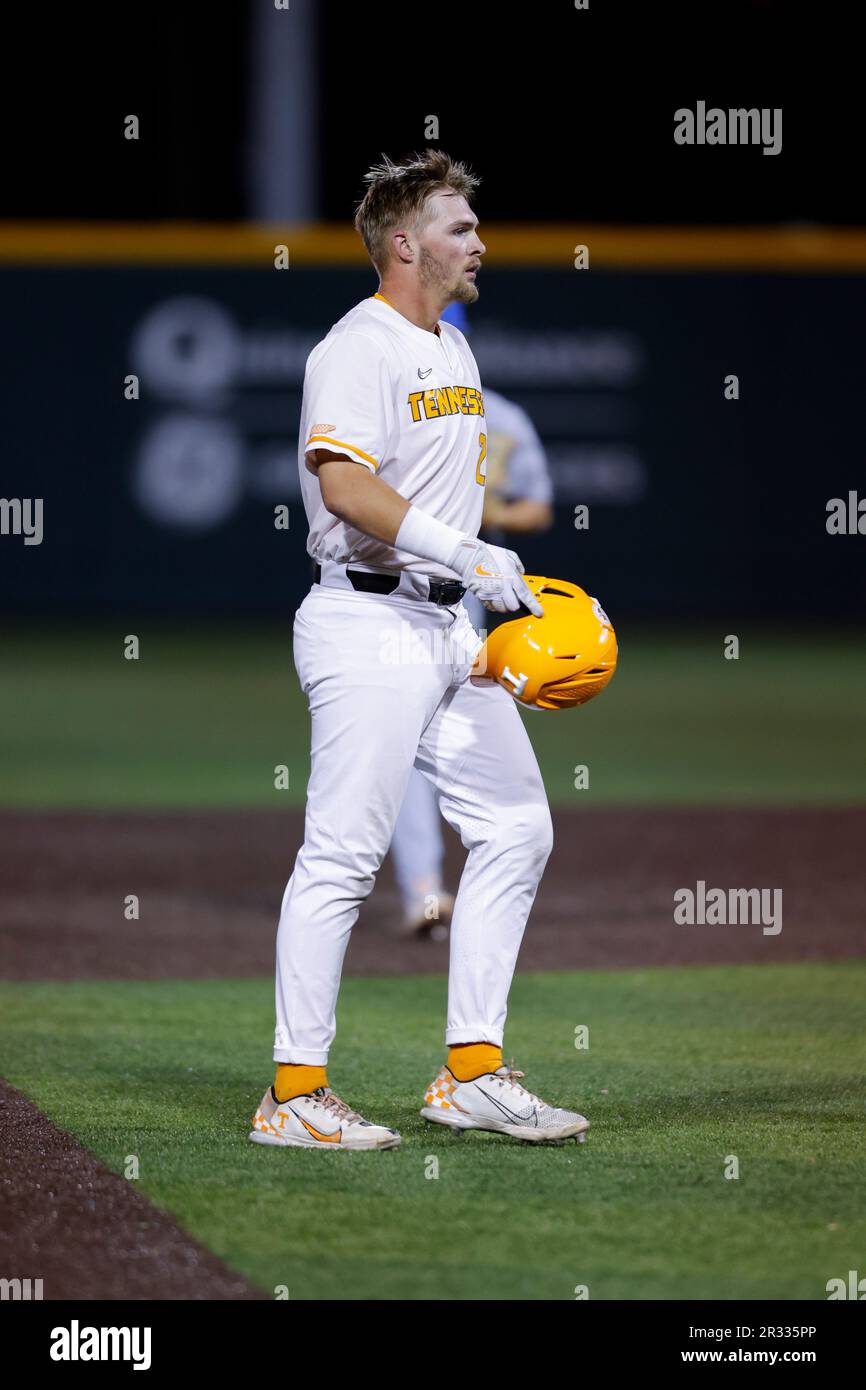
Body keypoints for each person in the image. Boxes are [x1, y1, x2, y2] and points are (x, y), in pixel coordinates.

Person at [249, 150, 589, 1150]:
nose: (477, 242)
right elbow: (345, 487)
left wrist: (488, 584)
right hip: (367, 622)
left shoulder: (451, 347)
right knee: (343, 855)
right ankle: (293, 1093)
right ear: (402, 244)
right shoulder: (358, 345)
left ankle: (471, 1073)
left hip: (449, 628)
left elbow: (443, 500)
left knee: (518, 827)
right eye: (458, 227)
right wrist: (465, 550)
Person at [389, 300, 555, 938]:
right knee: (404, 746)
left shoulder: (501, 415)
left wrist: (483, 519)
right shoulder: (388, 394)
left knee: (468, 740)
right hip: (389, 595)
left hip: (467, 597)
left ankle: (478, 876)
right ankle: (424, 889)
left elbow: (536, 507)